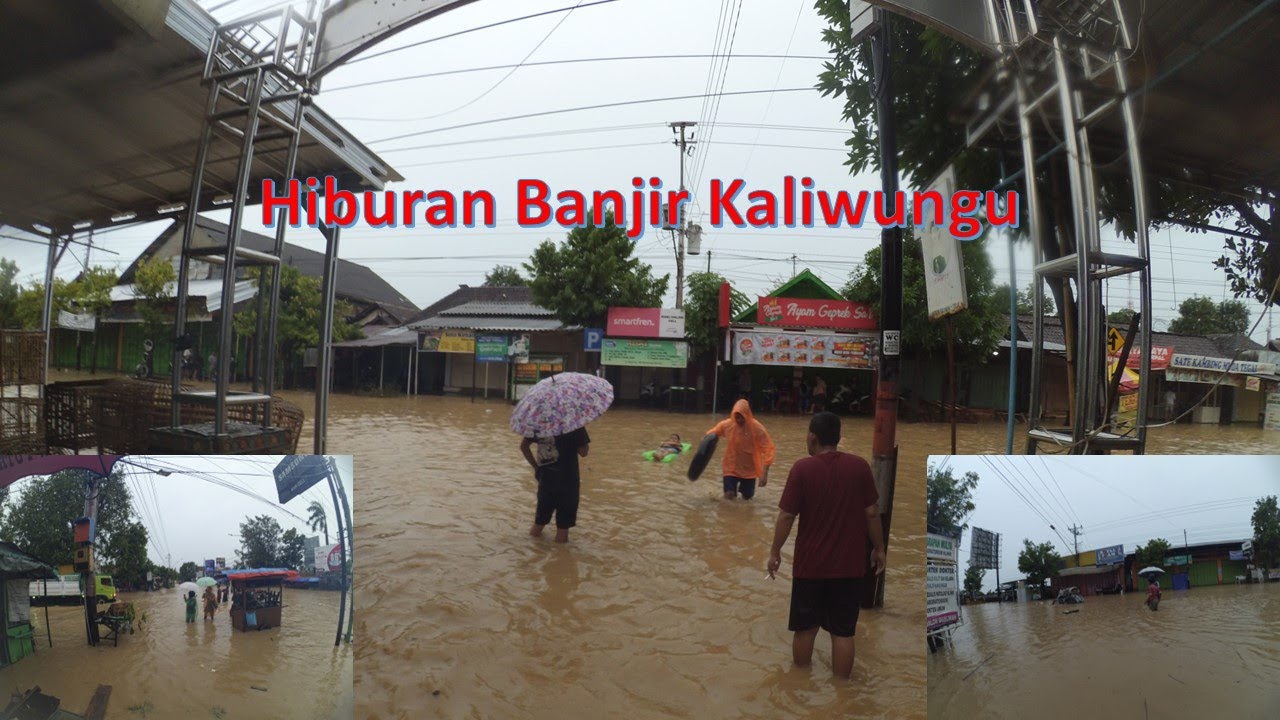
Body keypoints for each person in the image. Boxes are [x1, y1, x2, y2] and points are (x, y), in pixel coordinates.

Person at [767, 412, 885, 678]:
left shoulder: (802, 469)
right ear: (838, 438)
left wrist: (775, 552)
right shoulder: (859, 467)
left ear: (812, 437)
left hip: (810, 567)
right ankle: (842, 693)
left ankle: (800, 684)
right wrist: (879, 549)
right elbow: (871, 513)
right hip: (849, 568)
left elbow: (786, 516)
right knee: (843, 633)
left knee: (806, 629)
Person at [520, 425, 591, 543]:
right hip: (568, 480)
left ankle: (531, 550)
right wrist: (582, 440)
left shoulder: (539, 423)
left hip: (546, 479)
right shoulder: (574, 425)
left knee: (539, 522)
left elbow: (523, 447)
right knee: (563, 527)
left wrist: (536, 468)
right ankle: (560, 557)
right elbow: (583, 453)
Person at [704, 399, 775, 501]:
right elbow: (712, 433)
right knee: (729, 496)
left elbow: (768, 449)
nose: (739, 420)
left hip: (749, 470)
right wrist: (704, 443)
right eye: (737, 418)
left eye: (742, 417)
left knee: (747, 499)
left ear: (747, 415)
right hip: (730, 467)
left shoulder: (757, 428)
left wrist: (764, 473)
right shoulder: (727, 425)